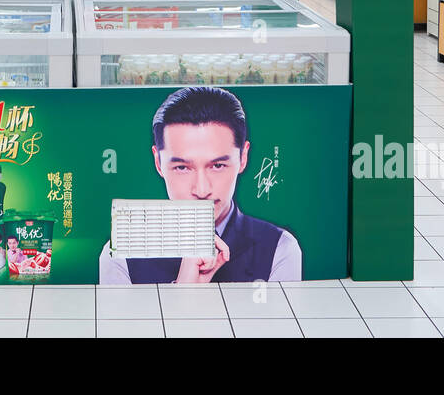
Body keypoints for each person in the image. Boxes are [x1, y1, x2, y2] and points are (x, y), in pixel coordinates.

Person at [98, 86, 302, 284]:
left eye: (218, 165)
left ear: (243, 157)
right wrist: (183, 290)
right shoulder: (118, 256)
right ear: (158, 163)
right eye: (182, 168)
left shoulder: (280, 249)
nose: (202, 190)